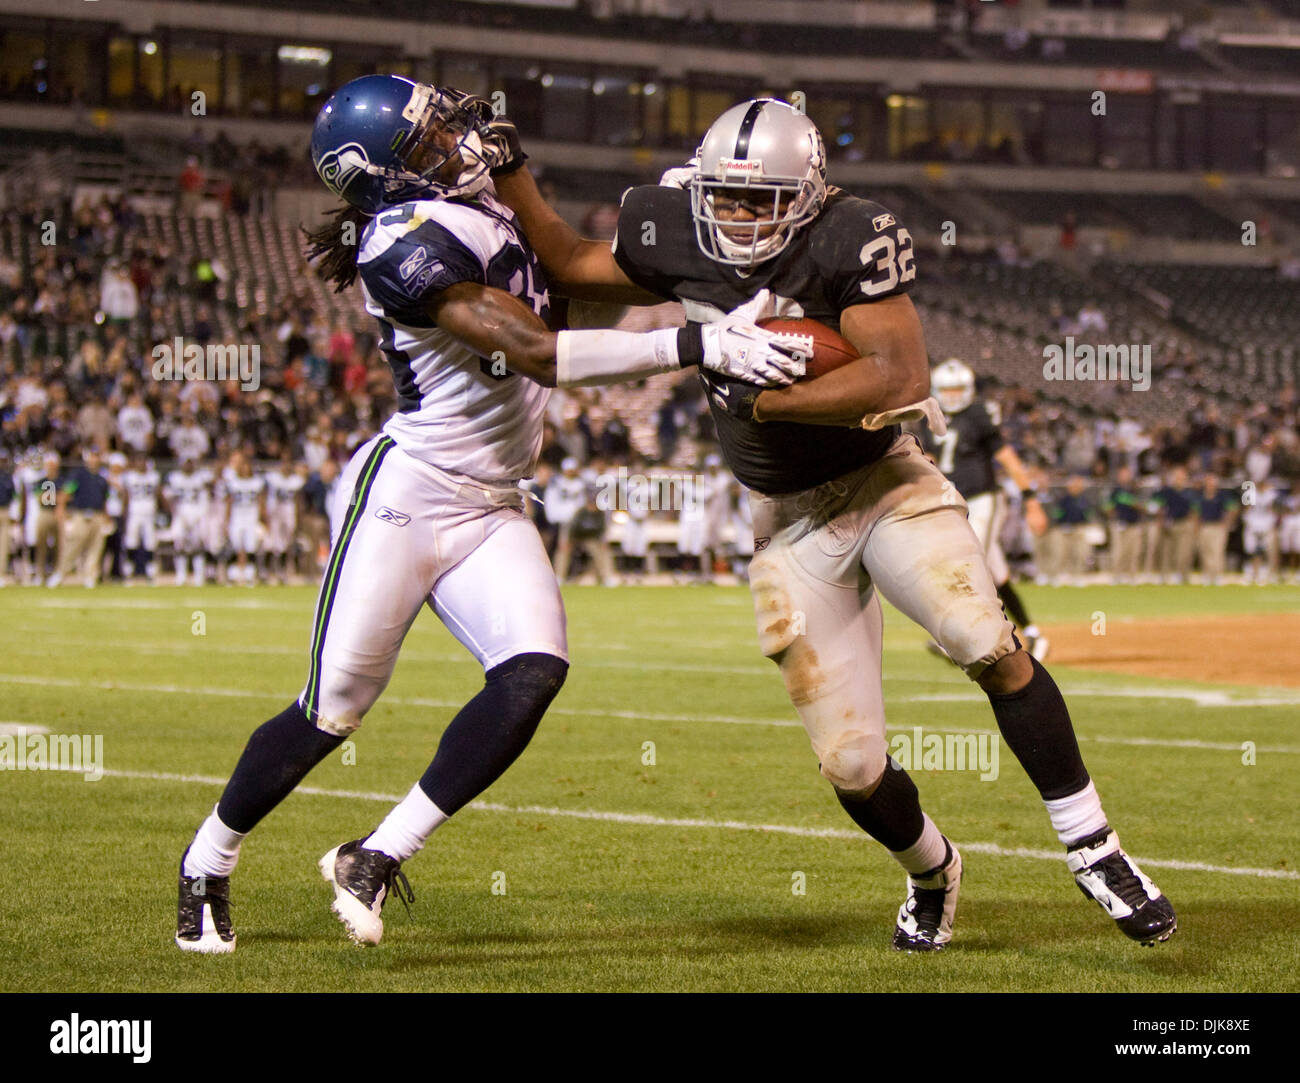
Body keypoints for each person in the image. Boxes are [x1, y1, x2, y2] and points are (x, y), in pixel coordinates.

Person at [493, 95, 1176, 950]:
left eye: (762, 199)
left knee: (982, 638)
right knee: (851, 765)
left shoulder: (852, 234)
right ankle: (933, 870)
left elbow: (896, 377)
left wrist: (767, 398)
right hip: (784, 519)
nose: (740, 217)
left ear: (809, 194)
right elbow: (563, 259)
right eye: (727, 197)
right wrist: (511, 171)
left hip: (880, 479)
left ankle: (1094, 847)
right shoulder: (673, 229)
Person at [174, 75, 802, 953]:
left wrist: (695, 270)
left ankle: (378, 853)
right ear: (387, 174)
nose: (457, 141)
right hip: (408, 492)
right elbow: (536, 350)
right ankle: (208, 858)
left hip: (495, 500)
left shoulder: (488, 213)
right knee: (335, 708)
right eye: (430, 138)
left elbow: (574, 290)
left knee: (533, 670)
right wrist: (695, 341)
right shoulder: (397, 241)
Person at [921, 359, 1049, 660]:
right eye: (947, 389)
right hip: (953, 501)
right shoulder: (930, 416)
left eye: (958, 389)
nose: (952, 396)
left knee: (967, 559)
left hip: (983, 499)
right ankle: (1032, 633)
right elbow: (929, 461)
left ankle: (964, 635)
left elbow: (1007, 457)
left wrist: (1031, 500)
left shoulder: (977, 415)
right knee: (996, 573)